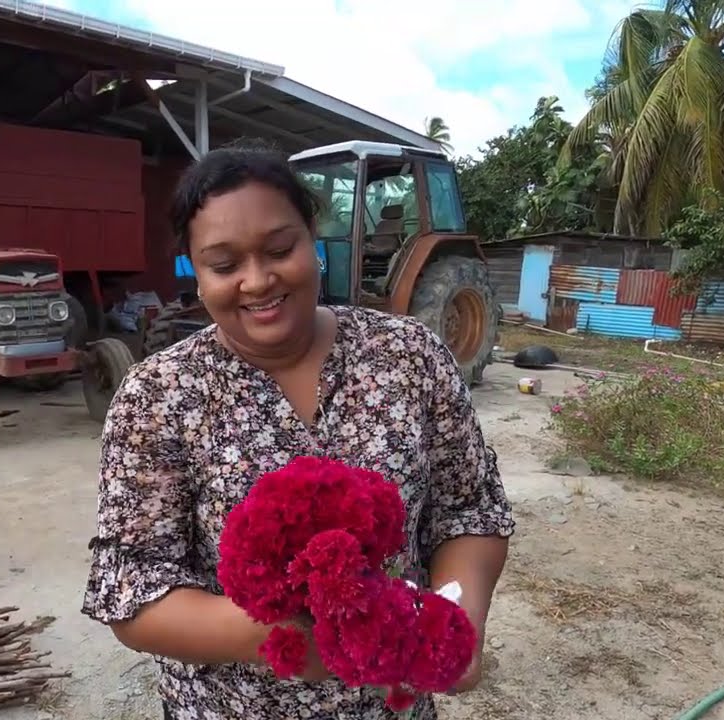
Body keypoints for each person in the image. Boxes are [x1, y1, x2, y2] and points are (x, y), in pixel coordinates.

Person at [82, 141, 515, 719]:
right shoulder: (158, 396)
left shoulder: (409, 356)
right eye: (224, 264)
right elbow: (131, 590)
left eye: (280, 249)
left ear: (312, 236)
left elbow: (469, 511)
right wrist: (287, 641)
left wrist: (458, 623)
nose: (257, 281)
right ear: (193, 267)